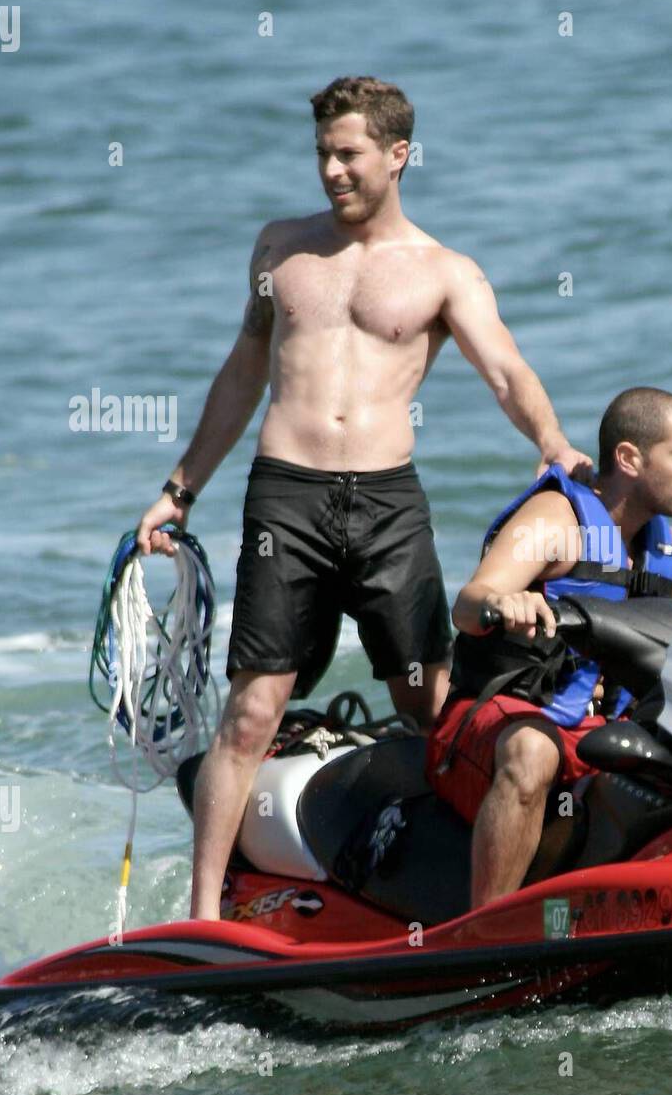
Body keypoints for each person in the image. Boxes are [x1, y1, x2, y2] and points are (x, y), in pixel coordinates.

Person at [134, 76, 592, 920]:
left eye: (348, 154)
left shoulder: (444, 272)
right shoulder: (281, 251)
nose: (331, 171)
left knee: (430, 703)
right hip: (287, 498)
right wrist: (181, 487)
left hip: (388, 504)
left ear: (398, 154)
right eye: (322, 154)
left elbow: (505, 369)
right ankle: (203, 916)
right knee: (253, 710)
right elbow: (243, 369)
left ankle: (454, 890)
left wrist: (552, 444)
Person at [425, 386, 672, 909]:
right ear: (629, 458)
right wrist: (504, 601)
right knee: (533, 752)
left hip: (600, 734)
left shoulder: (670, 552)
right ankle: (485, 927)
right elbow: (468, 604)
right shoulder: (555, 520)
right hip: (500, 723)